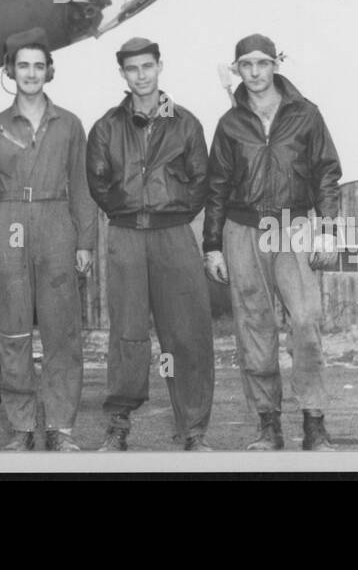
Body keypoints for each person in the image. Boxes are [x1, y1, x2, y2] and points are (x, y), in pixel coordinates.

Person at [202, 34, 343, 451]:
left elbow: (327, 175)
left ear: (276, 64)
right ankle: (268, 426)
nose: (255, 72)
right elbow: (217, 187)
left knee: (306, 322)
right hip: (242, 229)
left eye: (263, 63)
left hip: (293, 225)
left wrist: (329, 230)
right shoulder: (230, 124)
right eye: (246, 65)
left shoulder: (306, 114)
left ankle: (314, 422)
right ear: (237, 70)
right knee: (254, 331)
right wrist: (212, 245)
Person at [86, 37, 214, 452]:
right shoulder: (106, 125)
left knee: (187, 333)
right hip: (125, 236)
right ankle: (119, 426)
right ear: (121, 74)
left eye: (147, 67)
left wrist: (171, 212)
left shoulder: (186, 123)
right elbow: (98, 183)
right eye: (132, 69)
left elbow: (201, 182)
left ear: (160, 67)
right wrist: (127, 210)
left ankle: (193, 430)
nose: (141, 76)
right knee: (127, 332)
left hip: (174, 235)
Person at [0, 29, 96, 451]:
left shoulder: (70, 125)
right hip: (9, 223)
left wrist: (85, 241)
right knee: (14, 331)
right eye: (22, 65)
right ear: (11, 71)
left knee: (63, 331)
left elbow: (81, 186)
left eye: (38, 65)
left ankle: (60, 428)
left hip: (56, 220)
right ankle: (22, 427)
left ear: (50, 71)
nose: (30, 73)